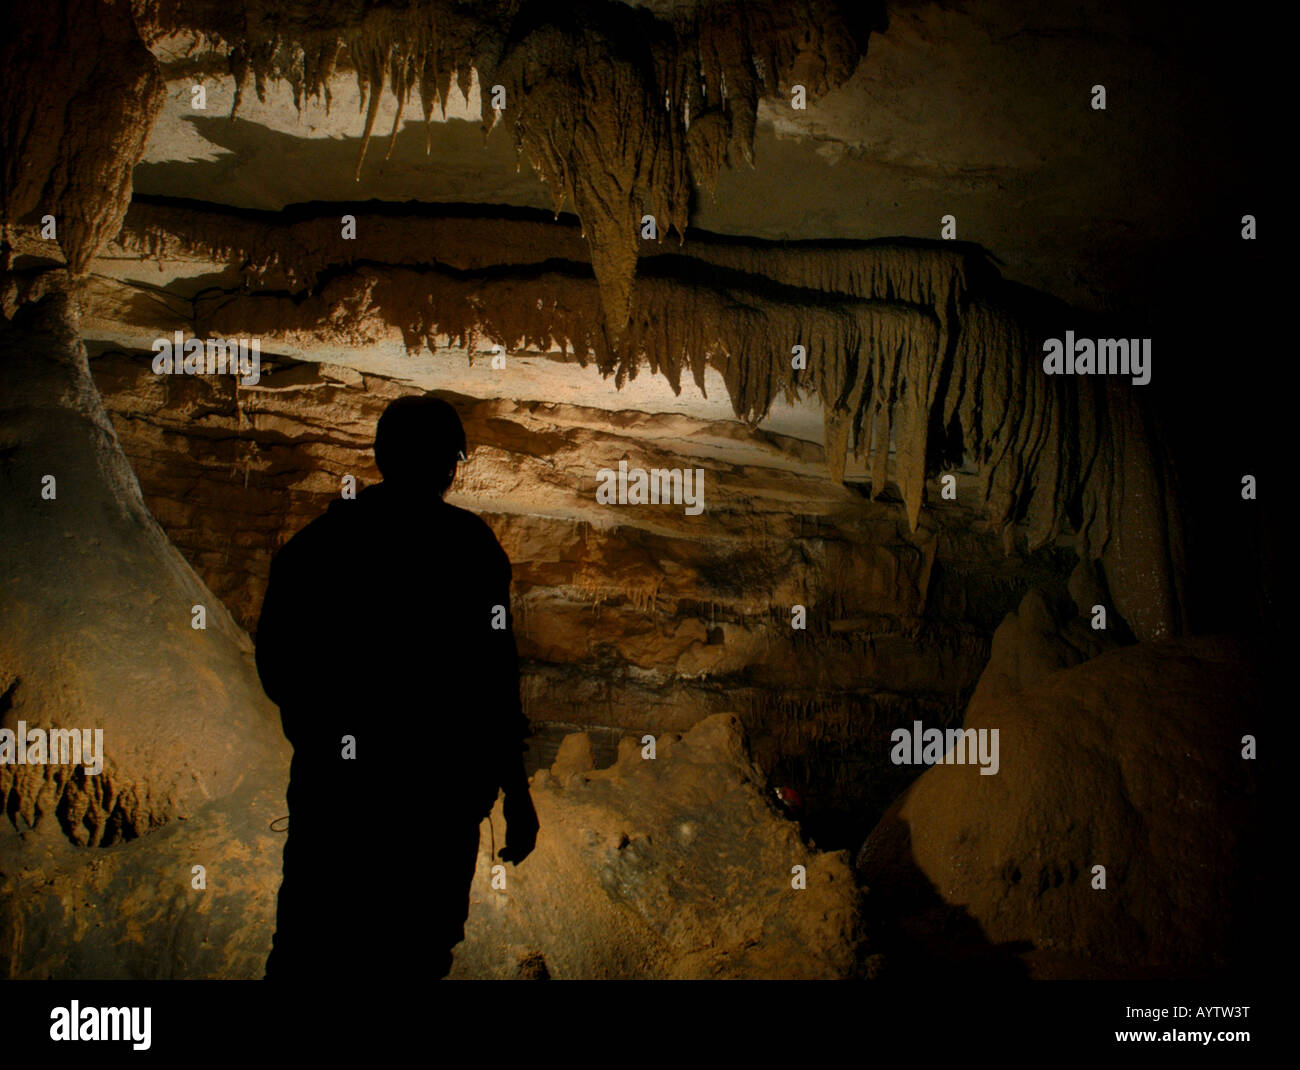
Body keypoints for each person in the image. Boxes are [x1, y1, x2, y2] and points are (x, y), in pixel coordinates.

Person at [255, 394, 539, 980]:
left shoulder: (318, 546)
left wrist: (327, 739)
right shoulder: (469, 550)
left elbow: (277, 664)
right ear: (450, 464)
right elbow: (495, 677)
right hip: (431, 808)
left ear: (381, 455)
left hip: (337, 804)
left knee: (310, 951)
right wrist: (514, 789)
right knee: (413, 957)